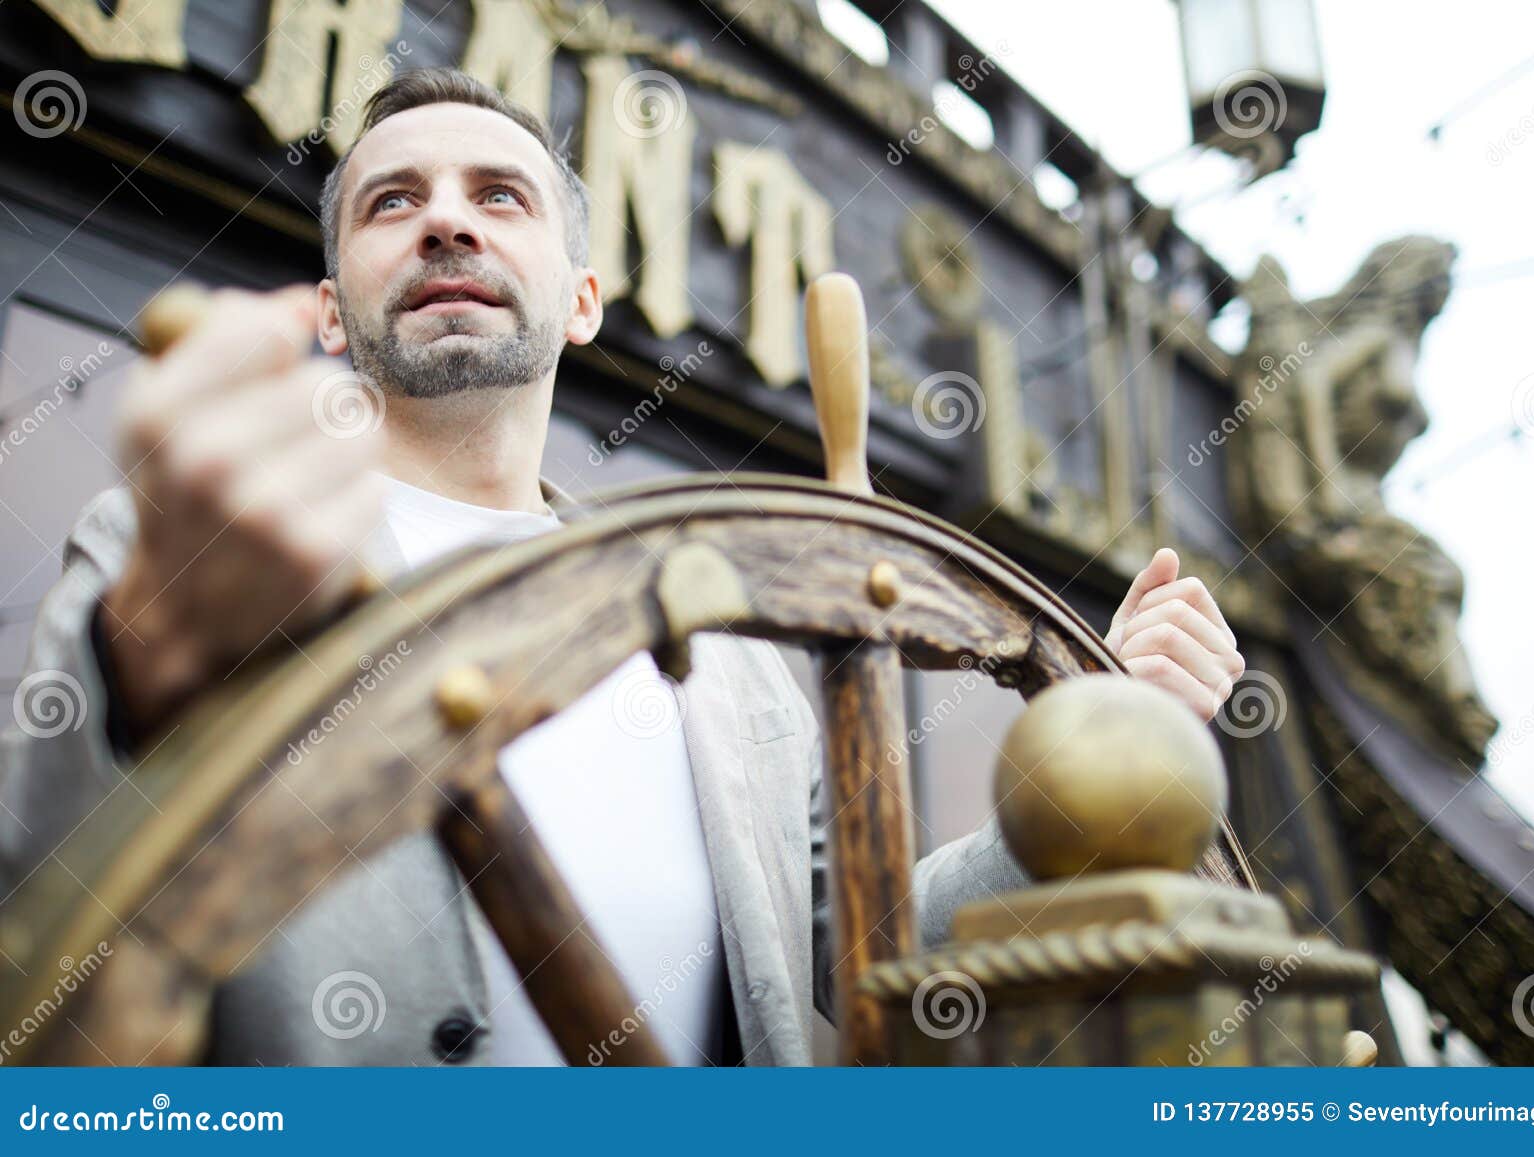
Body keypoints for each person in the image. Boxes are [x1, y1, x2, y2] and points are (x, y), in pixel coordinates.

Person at [0, 69, 1245, 1066]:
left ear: (584, 301)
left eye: (500, 196)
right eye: (392, 202)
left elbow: (864, 958)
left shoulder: (736, 657)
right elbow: (37, 915)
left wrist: (1100, 759)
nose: (446, 218)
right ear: (331, 312)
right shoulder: (182, 552)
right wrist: (152, 649)